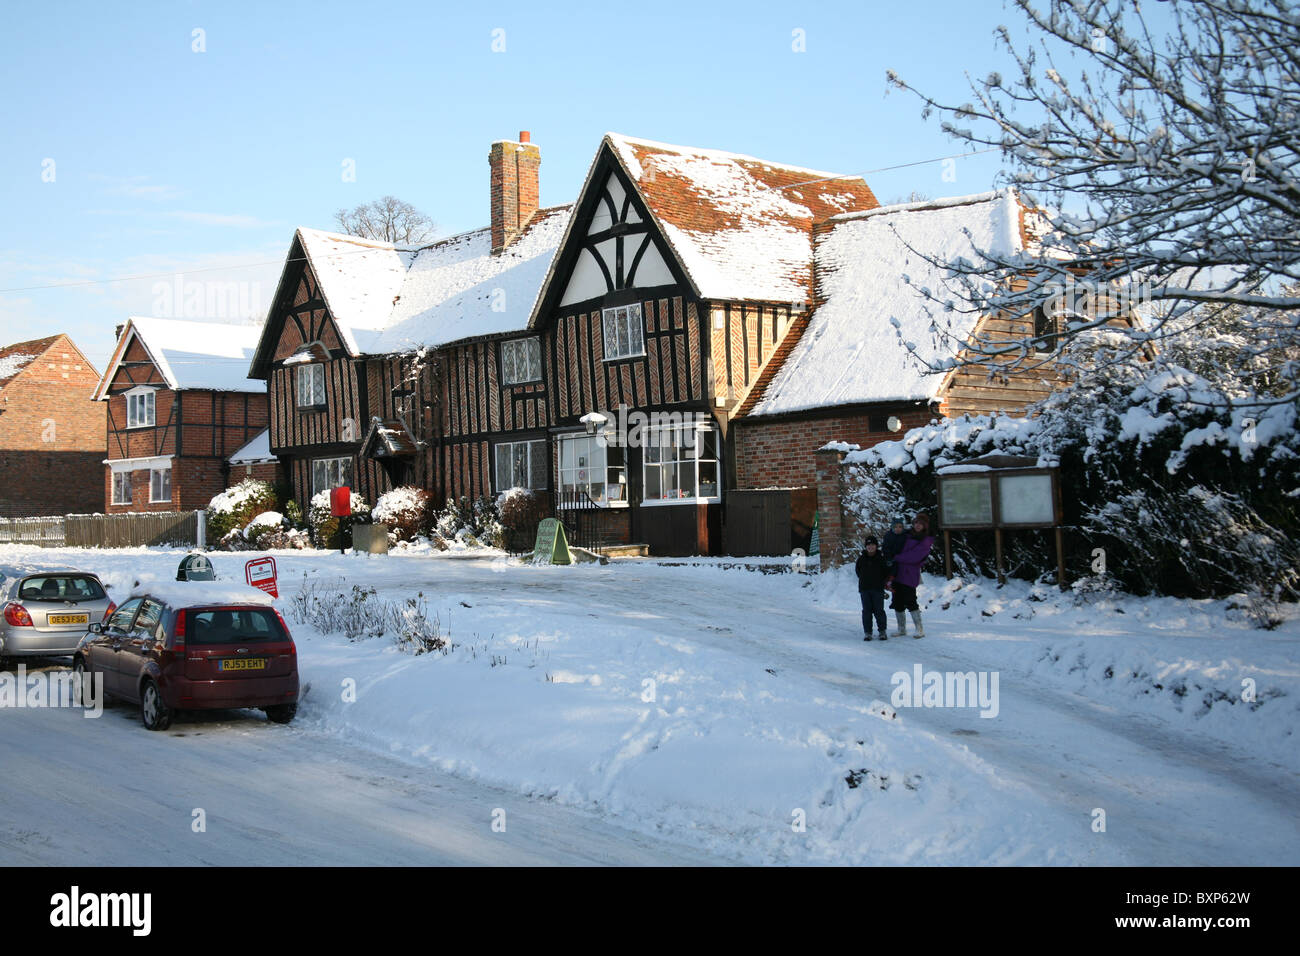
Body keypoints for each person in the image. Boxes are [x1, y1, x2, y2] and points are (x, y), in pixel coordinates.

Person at [888, 514, 935, 637]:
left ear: (925, 526)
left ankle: (919, 629)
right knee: (897, 601)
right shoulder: (906, 534)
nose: (918, 525)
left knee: (910, 600)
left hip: (909, 574)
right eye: (916, 523)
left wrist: (896, 557)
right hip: (897, 572)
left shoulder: (925, 540)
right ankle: (901, 628)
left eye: (921, 524)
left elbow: (914, 557)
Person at [854, 535, 890, 641]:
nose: (870, 547)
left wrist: (881, 582)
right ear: (866, 546)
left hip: (878, 589)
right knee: (866, 611)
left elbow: (885, 572)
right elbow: (858, 572)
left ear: (876, 546)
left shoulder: (881, 558)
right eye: (868, 545)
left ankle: (882, 631)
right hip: (865, 589)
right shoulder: (861, 559)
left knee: (879, 611)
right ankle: (868, 632)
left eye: (873, 545)